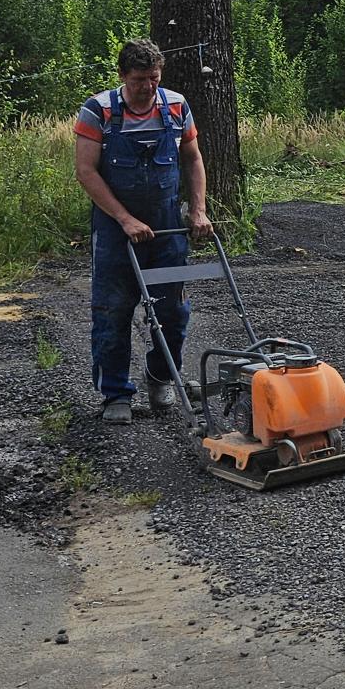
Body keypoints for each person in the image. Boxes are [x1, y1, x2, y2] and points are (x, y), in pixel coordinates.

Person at [73, 39, 212, 425]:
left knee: (173, 309)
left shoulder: (175, 105)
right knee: (114, 310)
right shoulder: (98, 111)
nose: (148, 87)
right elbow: (86, 172)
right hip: (117, 230)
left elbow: (193, 158)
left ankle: (161, 377)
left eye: (153, 78)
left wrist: (197, 210)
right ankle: (116, 393)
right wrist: (124, 219)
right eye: (139, 80)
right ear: (122, 76)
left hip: (168, 227)